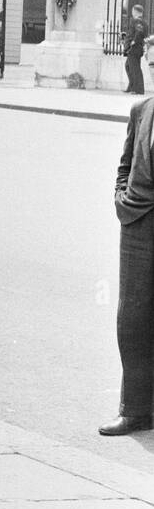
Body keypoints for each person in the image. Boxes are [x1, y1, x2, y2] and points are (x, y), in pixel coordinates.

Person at [105, 87, 154, 435]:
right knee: (132, 319)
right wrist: (123, 199)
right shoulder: (141, 109)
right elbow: (125, 163)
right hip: (137, 224)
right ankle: (134, 410)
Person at [122, 5, 148, 96]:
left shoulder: (138, 21)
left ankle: (138, 90)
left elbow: (139, 32)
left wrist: (133, 42)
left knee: (135, 68)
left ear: (136, 11)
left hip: (134, 48)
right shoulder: (142, 21)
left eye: (133, 11)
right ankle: (132, 86)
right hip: (136, 48)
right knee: (128, 66)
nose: (132, 13)